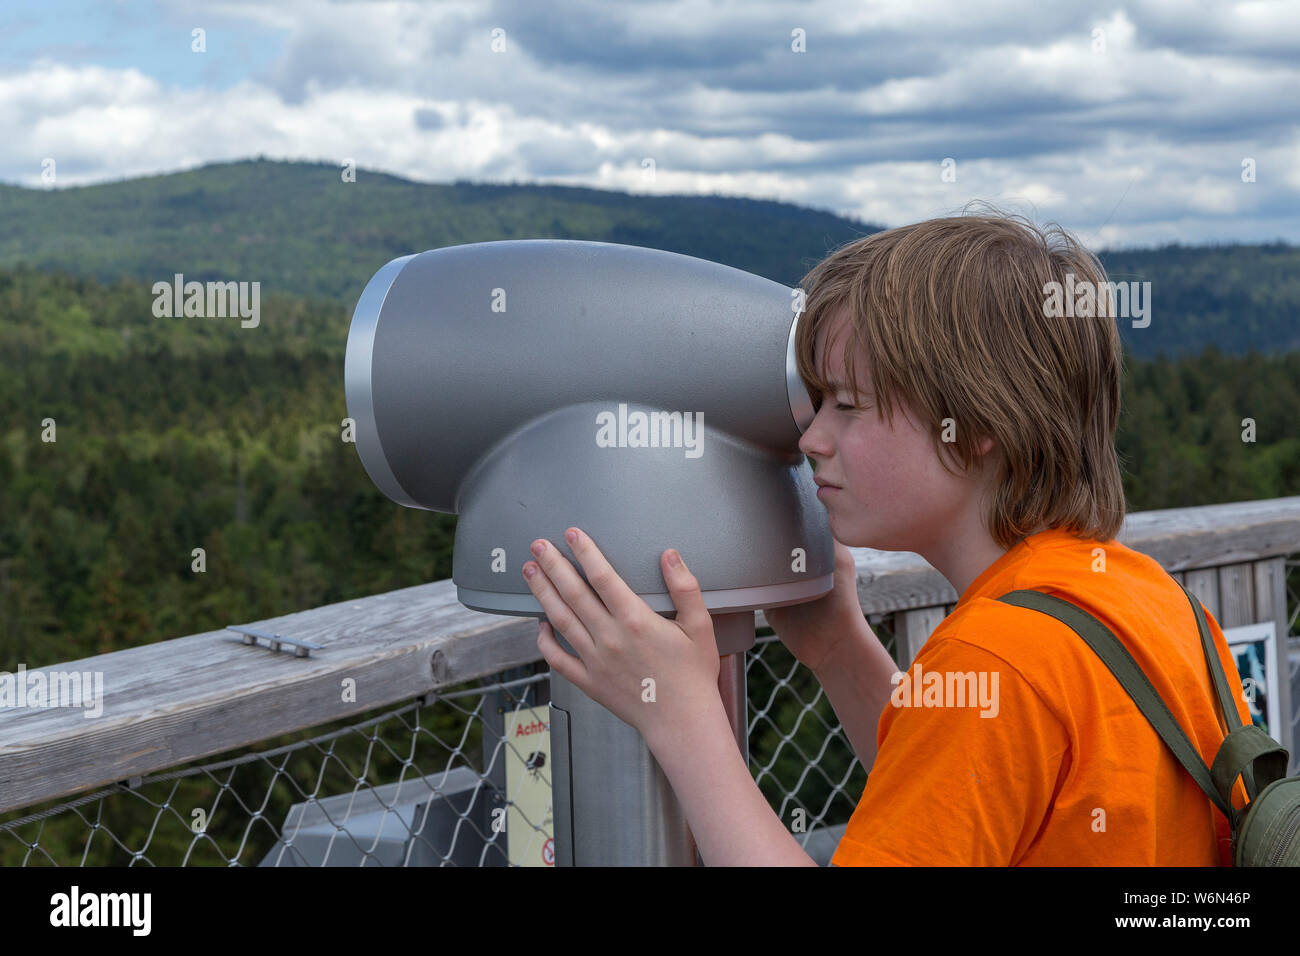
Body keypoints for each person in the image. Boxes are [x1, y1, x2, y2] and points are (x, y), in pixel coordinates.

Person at [522, 205, 1253, 866]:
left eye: (847, 404)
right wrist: (840, 648)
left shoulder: (995, 657)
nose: (811, 437)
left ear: (975, 427)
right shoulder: (1146, 598)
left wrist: (678, 713)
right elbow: (976, 800)